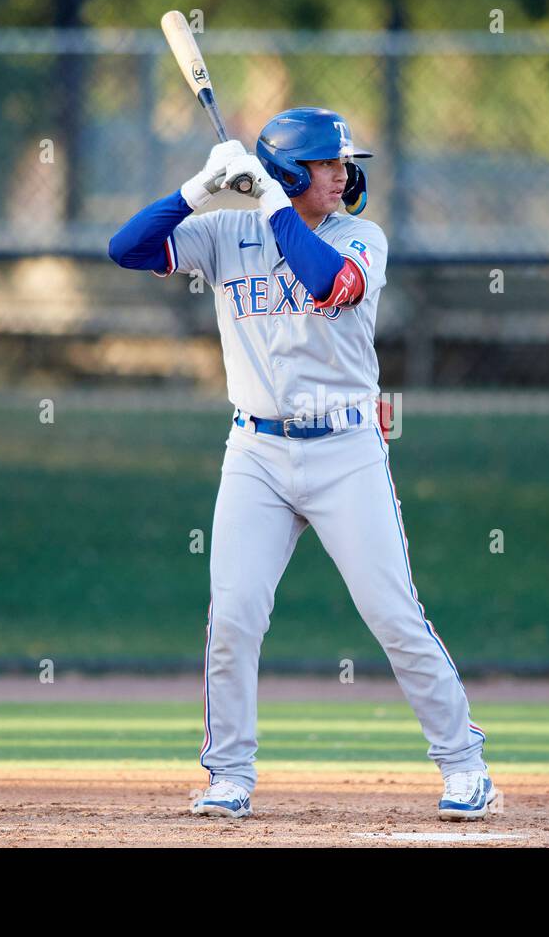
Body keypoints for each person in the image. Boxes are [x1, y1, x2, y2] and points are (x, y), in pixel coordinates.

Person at [109, 108, 499, 820]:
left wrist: (267, 200)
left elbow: (328, 285)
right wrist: (197, 191)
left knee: (392, 613)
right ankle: (229, 774)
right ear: (292, 172)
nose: (343, 172)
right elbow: (125, 250)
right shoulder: (227, 231)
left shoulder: (359, 237)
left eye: (343, 162)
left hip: (346, 450)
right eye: (325, 164)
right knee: (232, 615)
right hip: (255, 451)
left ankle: (464, 764)